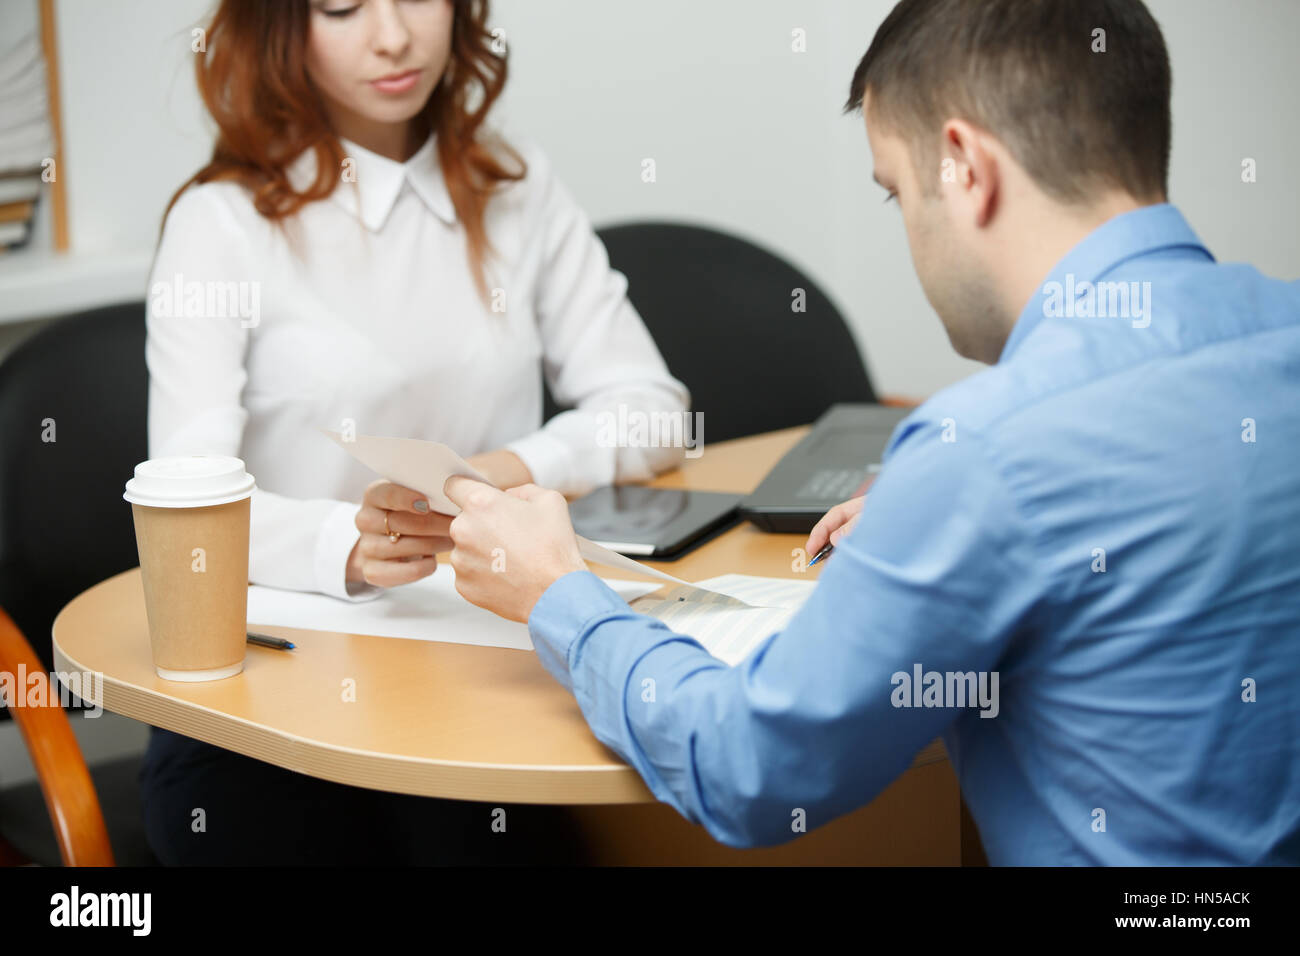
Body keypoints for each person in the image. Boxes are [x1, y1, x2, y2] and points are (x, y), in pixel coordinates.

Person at [438, 0, 1300, 865]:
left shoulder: (988, 448)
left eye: (894, 190)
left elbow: (752, 769)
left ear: (964, 167)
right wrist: (942, 514)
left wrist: (557, 594)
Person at [140, 0, 688, 864]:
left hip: (482, 669)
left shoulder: (513, 183)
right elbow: (184, 497)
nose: (393, 37)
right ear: (282, 26)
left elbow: (656, 409)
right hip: (277, 696)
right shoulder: (222, 224)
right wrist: (348, 546)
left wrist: (505, 471)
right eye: (343, 7)